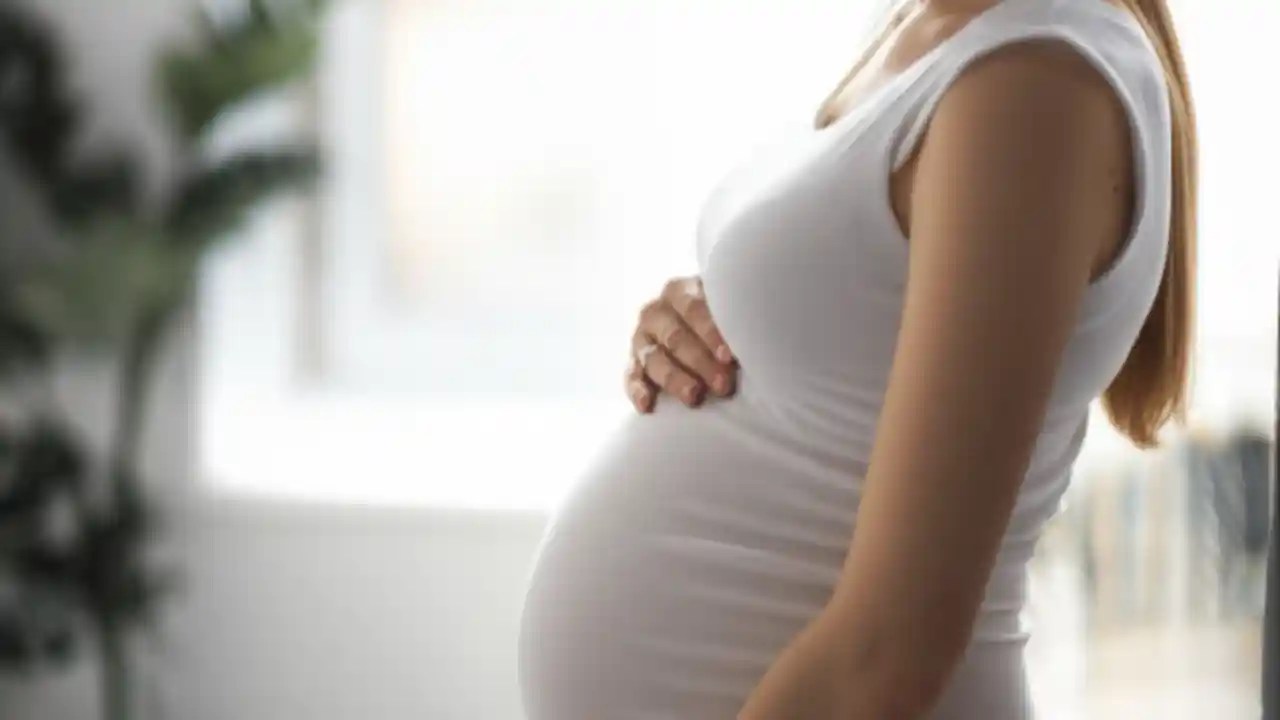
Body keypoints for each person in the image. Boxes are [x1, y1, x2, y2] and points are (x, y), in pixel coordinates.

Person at [518, 0, 1196, 717]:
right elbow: (861, 308)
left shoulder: (1034, 85)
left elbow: (892, 650)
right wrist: (722, 320)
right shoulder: (923, 22)